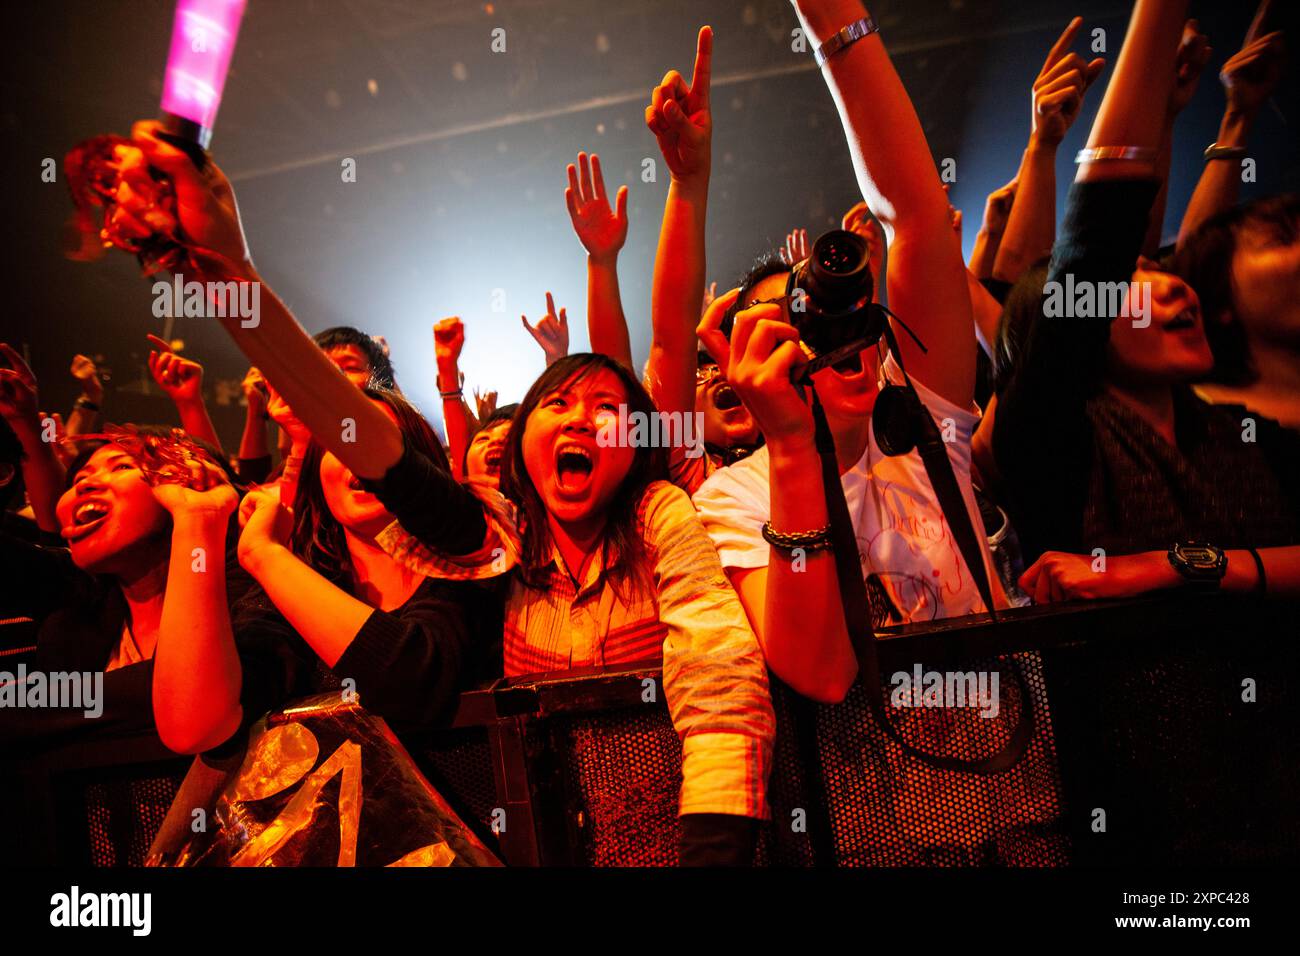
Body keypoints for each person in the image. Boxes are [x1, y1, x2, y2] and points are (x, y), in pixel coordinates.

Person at [692, 0, 1005, 705]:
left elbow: (916, 213)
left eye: (838, 311)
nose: (829, 333)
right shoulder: (733, 498)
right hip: (883, 812)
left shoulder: (925, 429)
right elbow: (822, 674)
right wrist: (795, 449)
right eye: (795, 320)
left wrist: (833, 18)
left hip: (1026, 793)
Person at [992, 0, 1300, 603]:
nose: (1174, 283)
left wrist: (1186, 565)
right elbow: (1099, 238)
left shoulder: (1236, 435)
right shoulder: (1054, 442)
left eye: (1158, 270)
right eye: (1128, 284)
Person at [0, 425, 309, 753]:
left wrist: (198, 515)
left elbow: (190, 713)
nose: (86, 483)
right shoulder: (73, 608)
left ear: (197, 479)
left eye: (121, 466)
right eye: (77, 480)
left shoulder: (260, 596)